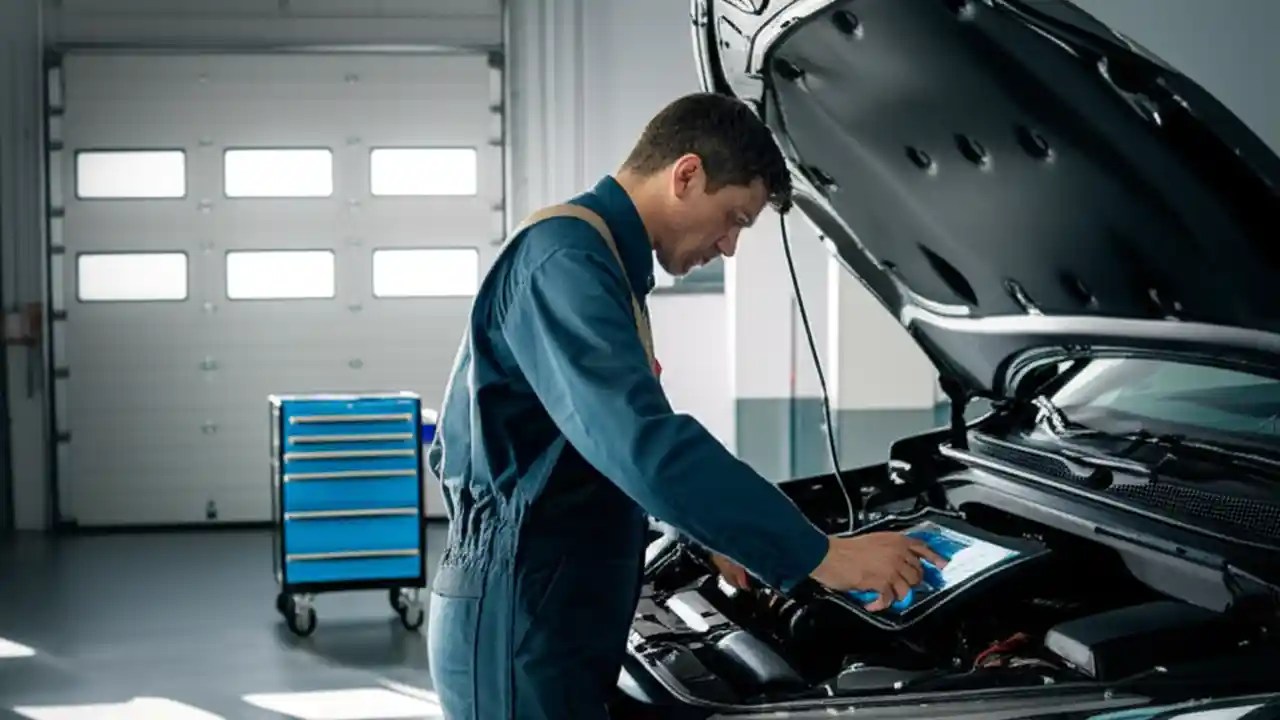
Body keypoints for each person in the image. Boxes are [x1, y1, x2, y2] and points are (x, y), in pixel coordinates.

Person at [425, 92, 944, 719]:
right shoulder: (566, 260)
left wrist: (713, 532)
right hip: (518, 618)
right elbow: (642, 444)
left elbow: (601, 454)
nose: (728, 246)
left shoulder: (603, 264)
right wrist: (823, 556)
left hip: (549, 609)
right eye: (734, 218)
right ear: (687, 174)